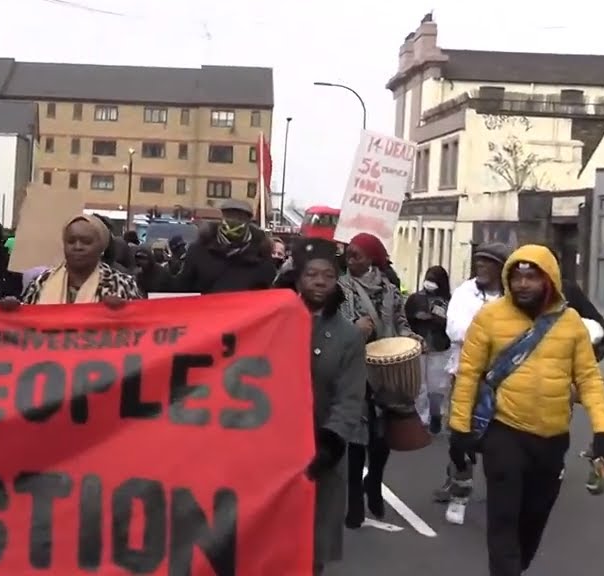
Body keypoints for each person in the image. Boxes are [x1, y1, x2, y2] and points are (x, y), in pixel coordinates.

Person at [448, 244, 604, 576]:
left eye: (532, 277)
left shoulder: (570, 323)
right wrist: (459, 430)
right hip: (504, 433)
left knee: (533, 522)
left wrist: (603, 432)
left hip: (552, 440)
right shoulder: (489, 318)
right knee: (504, 519)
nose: (523, 284)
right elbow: (468, 375)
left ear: (549, 280)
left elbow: (589, 379)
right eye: (517, 277)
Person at [276, 238, 366, 575]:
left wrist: (329, 444)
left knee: (312, 548)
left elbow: (350, 397)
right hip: (274, 449)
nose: (319, 282)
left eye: (328, 275)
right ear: (298, 278)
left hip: (321, 454)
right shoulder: (275, 322)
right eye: (311, 274)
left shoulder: (348, 336)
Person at [338, 232, 416, 527]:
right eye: (348, 254)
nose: (350, 259)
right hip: (356, 370)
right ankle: (355, 502)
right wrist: (353, 327)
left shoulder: (389, 289)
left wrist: (410, 338)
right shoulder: (341, 288)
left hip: (386, 371)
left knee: (382, 440)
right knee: (357, 440)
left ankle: (374, 481)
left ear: (371, 258)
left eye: (356, 254)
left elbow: (401, 322)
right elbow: (334, 324)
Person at [435, 242, 509, 503]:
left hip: (501, 378)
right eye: (479, 261)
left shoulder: (511, 296)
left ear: (502, 268)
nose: (481, 266)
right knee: (458, 429)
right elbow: (454, 330)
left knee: (499, 434)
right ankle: (457, 480)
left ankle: (501, 485)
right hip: (464, 373)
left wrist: (485, 335)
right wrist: (491, 336)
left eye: (488, 262)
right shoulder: (465, 292)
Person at [1, 214, 144, 307]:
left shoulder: (122, 284)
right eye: (71, 241)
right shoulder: (42, 281)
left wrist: (123, 311)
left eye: (86, 242)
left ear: (101, 247)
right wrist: (13, 310)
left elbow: (140, 327)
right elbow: (27, 325)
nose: (77, 247)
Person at [165, 199, 278, 293]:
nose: (234, 221)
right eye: (229, 216)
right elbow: (182, 288)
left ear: (248, 221)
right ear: (222, 217)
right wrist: (158, 273)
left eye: (240, 218)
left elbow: (270, 295)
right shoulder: (199, 250)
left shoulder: (261, 255)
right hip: (208, 311)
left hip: (246, 313)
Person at [406, 265, 452, 433]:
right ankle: (422, 419)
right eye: (428, 278)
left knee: (437, 386)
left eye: (434, 280)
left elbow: (452, 324)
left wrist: (437, 318)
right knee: (420, 386)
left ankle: (436, 413)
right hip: (419, 346)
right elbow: (405, 319)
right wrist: (417, 318)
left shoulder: (449, 301)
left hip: (439, 347)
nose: (429, 283)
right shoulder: (415, 299)